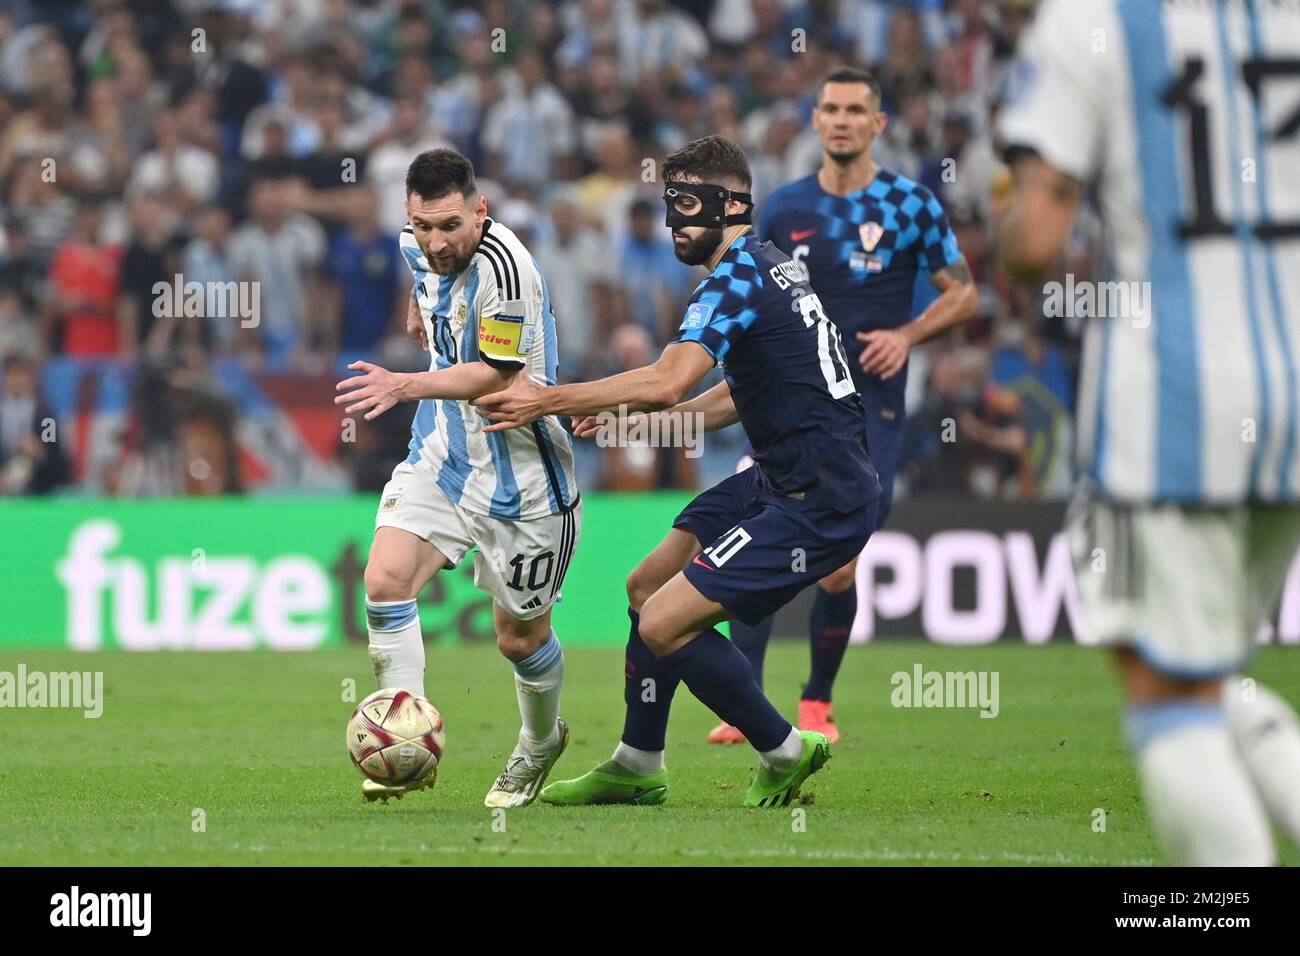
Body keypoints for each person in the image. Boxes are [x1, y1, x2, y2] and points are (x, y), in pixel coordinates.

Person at [472, 135, 882, 807]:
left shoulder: (736, 279)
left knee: (664, 622)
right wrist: (637, 422)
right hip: (787, 477)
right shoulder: (770, 266)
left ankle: (784, 751)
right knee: (647, 584)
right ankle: (638, 763)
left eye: (688, 203)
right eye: (670, 203)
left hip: (818, 497)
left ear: (733, 203)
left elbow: (668, 379)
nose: (673, 221)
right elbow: (726, 397)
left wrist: (547, 397)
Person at [997, 0, 1300, 865]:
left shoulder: (1095, 23)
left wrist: (1014, 203)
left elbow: (1035, 243)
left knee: (1164, 687)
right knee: (1206, 672)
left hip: (1179, 403)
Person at [714, 66, 977, 745]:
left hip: (873, 411)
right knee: (752, 541)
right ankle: (746, 707)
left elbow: (964, 293)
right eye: (830, 107)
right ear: (814, 119)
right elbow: (747, 294)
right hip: (786, 408)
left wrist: (909, 333)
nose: (841, 119)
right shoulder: (785, 209)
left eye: (856, 110)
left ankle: (817, 702)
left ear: (878, 124)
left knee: (838, 561)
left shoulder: (910, 205)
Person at [334, 148, 581, 808]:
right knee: (384, 579)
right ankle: (404, 736)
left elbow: (496, 375)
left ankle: (540, 741)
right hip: (442, 457)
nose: (436, 242)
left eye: (450, 226)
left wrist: (405, 381)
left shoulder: (509, 267)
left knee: (517, 637)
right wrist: (421, 311)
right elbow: (426, 284)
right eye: (423, 226)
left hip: (524, 478)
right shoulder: (416, 247)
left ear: (480, 210)